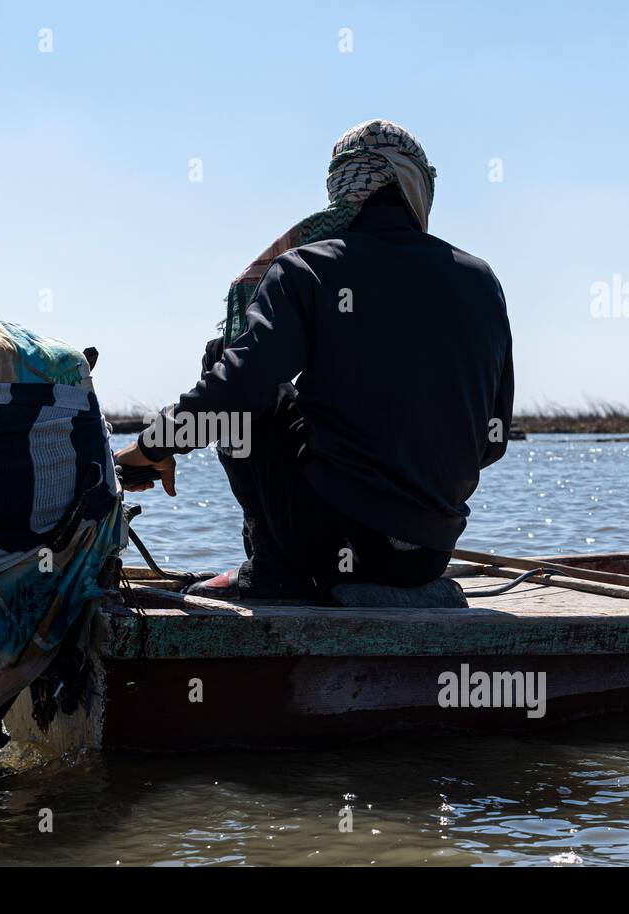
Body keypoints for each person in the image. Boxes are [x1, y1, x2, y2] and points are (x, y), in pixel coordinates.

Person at [115, 119, 513, 602]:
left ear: (343, 188)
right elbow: (491, 443)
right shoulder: (481, 281)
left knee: (228, 360)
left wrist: (155, 448)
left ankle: (271, 569)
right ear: (417, 188)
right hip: (428, 554)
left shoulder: (307, 266)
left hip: (330, 544)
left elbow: (238, 390)